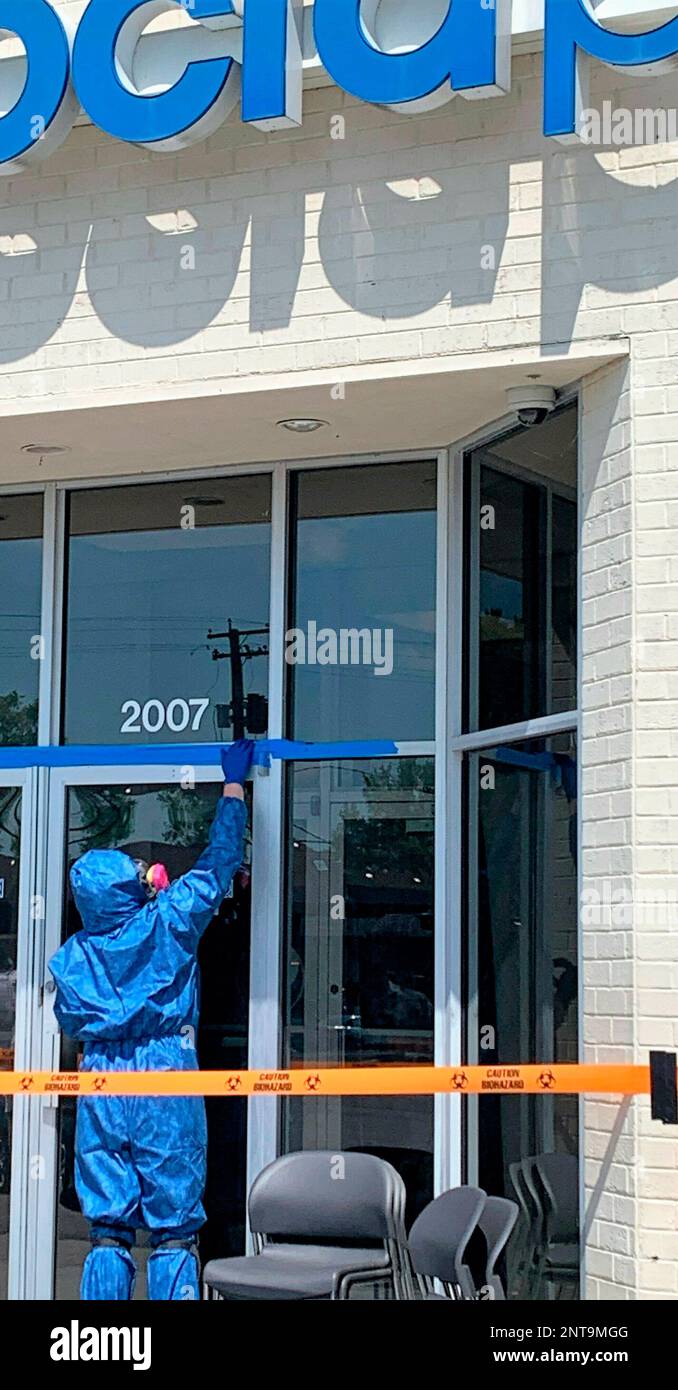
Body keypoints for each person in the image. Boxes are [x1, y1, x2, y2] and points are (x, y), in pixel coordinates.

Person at [48, 739, 254, 1302]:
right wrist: (233, 787)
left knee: (107, 1232)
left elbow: (70, 1019)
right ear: (126, 889)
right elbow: (218, 862)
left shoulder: (72, 958)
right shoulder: (167, 924)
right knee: (174, 1231)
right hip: (166, 1075)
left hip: (103, 1083)